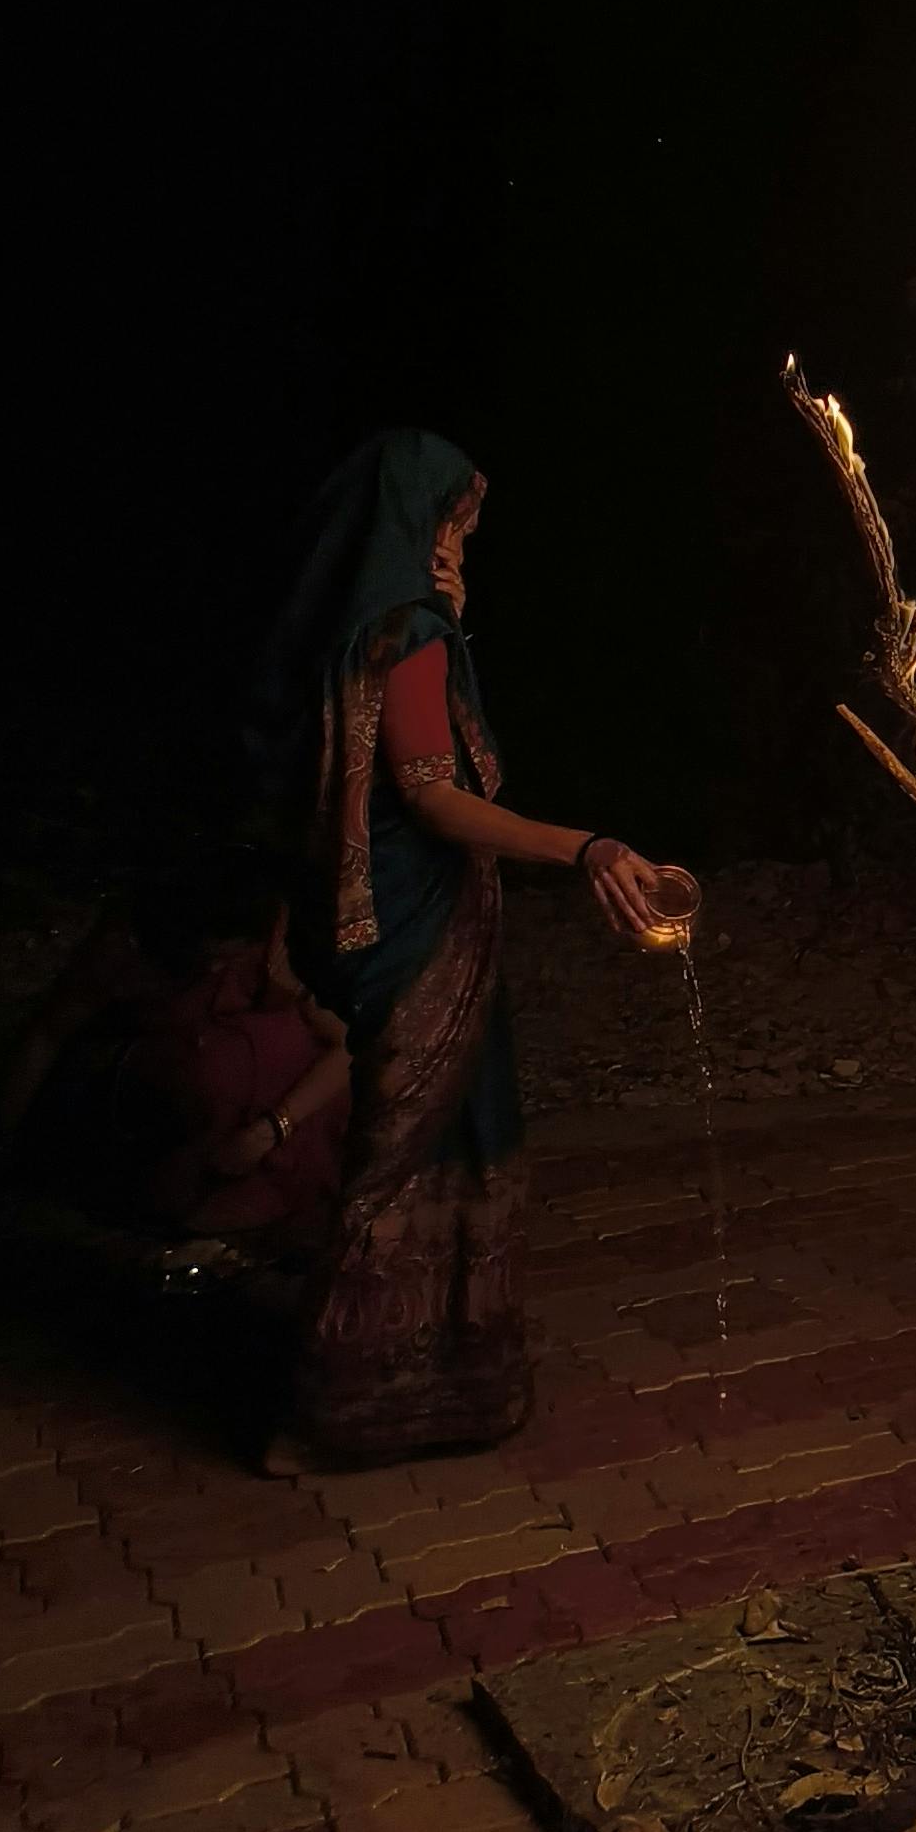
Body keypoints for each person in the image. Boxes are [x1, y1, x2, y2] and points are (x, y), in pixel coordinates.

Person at [250, 427, 675, 1462]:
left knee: (437, 1140)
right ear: (415, 520)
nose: (459, 543)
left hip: (395, 919)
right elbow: (434, 798)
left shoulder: (368, 627)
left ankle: (441, 1389)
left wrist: (454, 615)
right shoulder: (408, 633)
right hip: (415, 922)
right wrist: (585, 847)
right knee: (400, 1160)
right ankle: (338, 1414)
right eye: (452, 522)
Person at [0, 848, 350, 1251]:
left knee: (283, 1046)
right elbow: (48, 1036)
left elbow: (343, 1046)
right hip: (153, 1115)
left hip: (255, 1134)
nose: (222, 967)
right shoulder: (134, 955)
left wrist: (270, 1129)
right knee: (219, 1063)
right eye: (216, 957)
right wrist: (2, 1142)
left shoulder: (265, 951)